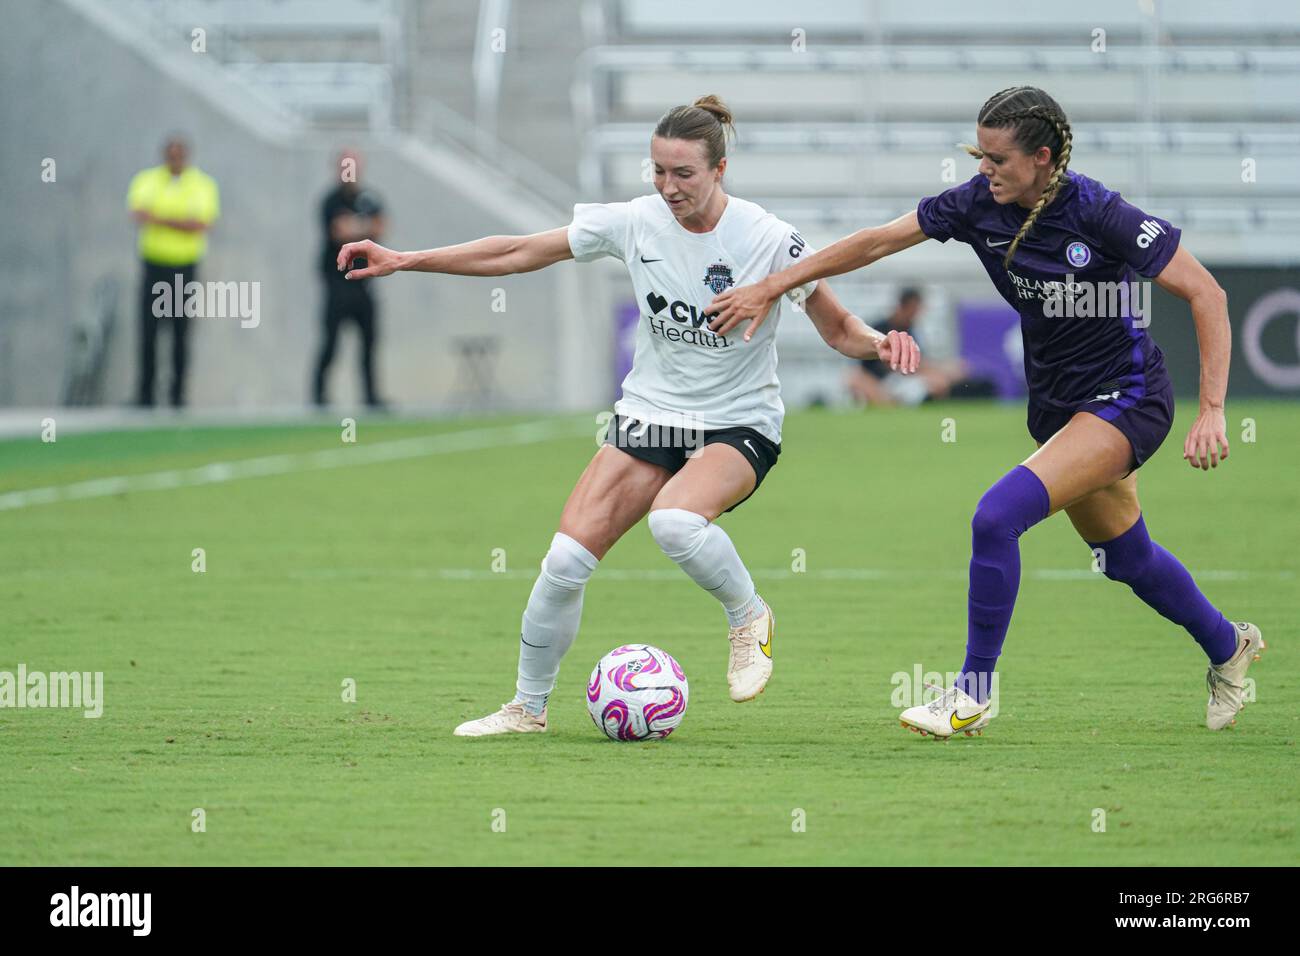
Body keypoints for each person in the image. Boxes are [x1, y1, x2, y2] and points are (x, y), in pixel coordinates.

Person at [337, 95, 919, 736]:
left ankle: (749, 616)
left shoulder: (768, 239)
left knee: (674, 522)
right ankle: (527, 709)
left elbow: (838, 328)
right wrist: (406, 258)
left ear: (720, 169)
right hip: (652, 414)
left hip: (739, 422)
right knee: (562, 563)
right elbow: (518, 252)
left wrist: (878, 343)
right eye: (658, 172)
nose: (668, 188)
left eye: (684, 174)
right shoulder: (634, 222)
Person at [707, 86, 1262, 738]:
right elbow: (877, 242)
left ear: (1044, 158)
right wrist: (776, 283)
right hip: (1059, 407)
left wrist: (1215, 409)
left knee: (996, 517)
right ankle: (1230, 645)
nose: (984, 169)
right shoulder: (977, 203)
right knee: (1126, 558)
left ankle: (971, 695)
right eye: (980, 154)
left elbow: (1206, 293)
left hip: (1128, 397)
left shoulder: (1099, 212)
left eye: (998, 158)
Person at [126, 136, 220, 407]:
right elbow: (138, 214)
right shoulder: (147, 179)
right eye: (171, 155)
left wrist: (160, 218)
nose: (175, 160)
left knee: (181, 333)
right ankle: (145, 395)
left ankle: (177, 395)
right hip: (154, 265)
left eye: (180, 155)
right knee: (148, 332)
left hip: (184, 267)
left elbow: (200, 223)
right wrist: (179, 221)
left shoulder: (202, 184)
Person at [315, 149, 387, 408]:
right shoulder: (330, 200)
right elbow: (339, 233)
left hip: (364, 281)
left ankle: (371, 397)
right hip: (337, 282)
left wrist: (356, 226)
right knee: (331, 341)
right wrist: (364, 227)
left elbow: (380, 228)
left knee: (369, 341)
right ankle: (319, 396)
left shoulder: (370, 197)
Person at [845, 287, 978, 406]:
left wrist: (940, 370)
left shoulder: (911, 330)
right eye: (915, 308)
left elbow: (915, 362)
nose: (917, 313)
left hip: (900, 379)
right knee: (855, 379)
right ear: (904, 306)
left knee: (937, 382)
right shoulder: (880, 327)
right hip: (877, 380)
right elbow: (867, 366)